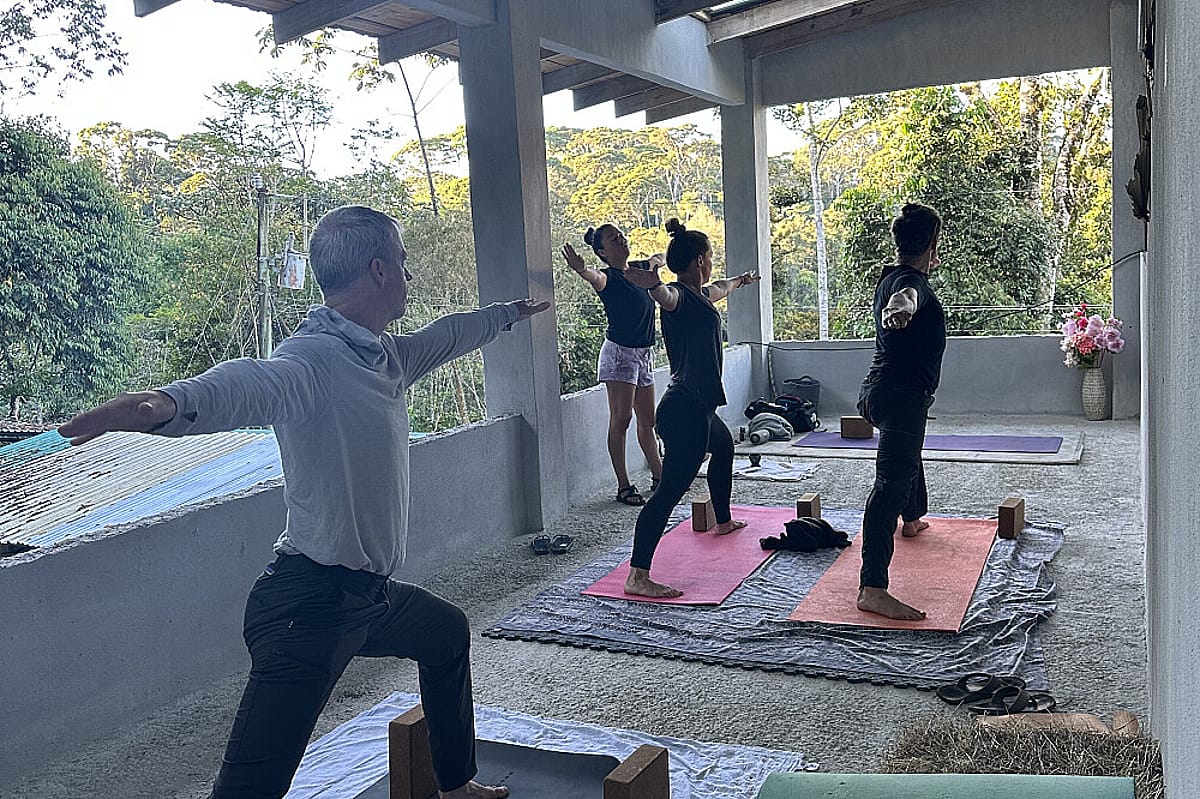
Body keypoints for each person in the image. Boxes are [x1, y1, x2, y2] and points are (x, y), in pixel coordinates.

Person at [59, 205, 550, 799]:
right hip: (307, 607)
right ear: (377, 271)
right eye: (402, 263)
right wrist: (161, 406)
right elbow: (243, 386)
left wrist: (507, 315)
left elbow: (447, 336)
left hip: (366, 596)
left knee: (445, 633)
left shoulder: (386, 357)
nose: (409, 277)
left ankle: (455, 784)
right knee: (250, 787)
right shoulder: (310, 364)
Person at [618, 218, 761, 598]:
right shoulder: (678, 297)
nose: (713, 264)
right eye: (710, 257)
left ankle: (724, 520)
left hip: (698, 406)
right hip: (683, 411)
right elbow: (665, 297)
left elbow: (721, 287)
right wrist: (654, 285)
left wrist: (741, 281)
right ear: (699, 260)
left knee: (726, 447)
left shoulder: (700, 296)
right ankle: (638, 575)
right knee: (668, 492)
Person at [855, 202, 946, 621]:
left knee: (909, 454)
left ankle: (911, 519)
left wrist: (899, 307)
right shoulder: (911, 282)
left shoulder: (890, 274)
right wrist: (901, 310)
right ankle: (872, 587)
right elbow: (907, 298)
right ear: (932, 245)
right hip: (899, 397)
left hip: (877, 392)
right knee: (890, 483)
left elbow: (902, 291)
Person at [561, 224, 664, 506]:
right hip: (620, 355)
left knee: (648, 421)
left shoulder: (641, 270)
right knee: (622, 420)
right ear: (603, 252)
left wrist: (658, 261)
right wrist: (581, 269)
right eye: (612, 239)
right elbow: (592, 276)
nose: (620, 239)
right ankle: (624, 486)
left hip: (643, 354)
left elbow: (659, 257)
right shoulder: (608, 278)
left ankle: (660, 477)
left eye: (620, 235)